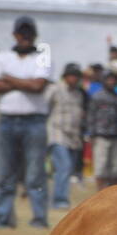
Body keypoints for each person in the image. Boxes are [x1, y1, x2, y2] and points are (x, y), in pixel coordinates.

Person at [0, 16, 53, 228]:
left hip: (34, 122)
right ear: (15, 34)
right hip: (7, 120)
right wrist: (25, 82)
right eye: (21, 33)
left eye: (28, 33)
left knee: (35, 174)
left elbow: (38, 87)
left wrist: (9, 79)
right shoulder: (2, 57)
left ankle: (39, 218)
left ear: (34, 35)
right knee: (3, 173)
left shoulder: (42, 57)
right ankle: (2, 218)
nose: (25, 37)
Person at [45, 63, 86, 211]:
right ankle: (59, 200)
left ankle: (61, 198)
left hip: (73, 138)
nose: (74, 79)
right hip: (57, 134)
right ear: (65, 76)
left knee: (67, 169)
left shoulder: (79, 94)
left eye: (76, 76)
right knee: (64, 166)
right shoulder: (54, 90)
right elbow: (44, 108)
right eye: (71, 75)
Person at [86, 71, 117, 191]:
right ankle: (100, 194)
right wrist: (91, 134)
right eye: (109, 79)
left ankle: (112, 195)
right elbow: (90, 115)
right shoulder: (97, 96)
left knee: (115, 169)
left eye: (113, 79)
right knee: (101, 168)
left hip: (115, 136)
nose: (111, 82)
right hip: (100, 136)